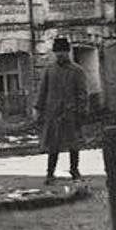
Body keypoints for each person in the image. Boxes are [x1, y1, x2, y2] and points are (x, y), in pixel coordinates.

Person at [35, 37, 87, 184]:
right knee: (53, 145)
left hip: (71, 113)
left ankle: (74, 170)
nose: (60, 55)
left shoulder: (77, 71)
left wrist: (81, 111)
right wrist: (39, 111)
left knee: (74, 144)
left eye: (63, 52)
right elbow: (42, 91)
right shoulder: (49, 70)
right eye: (57, 53)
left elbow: (82, 93)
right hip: (53, 114)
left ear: (68, 52)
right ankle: (50, 174)